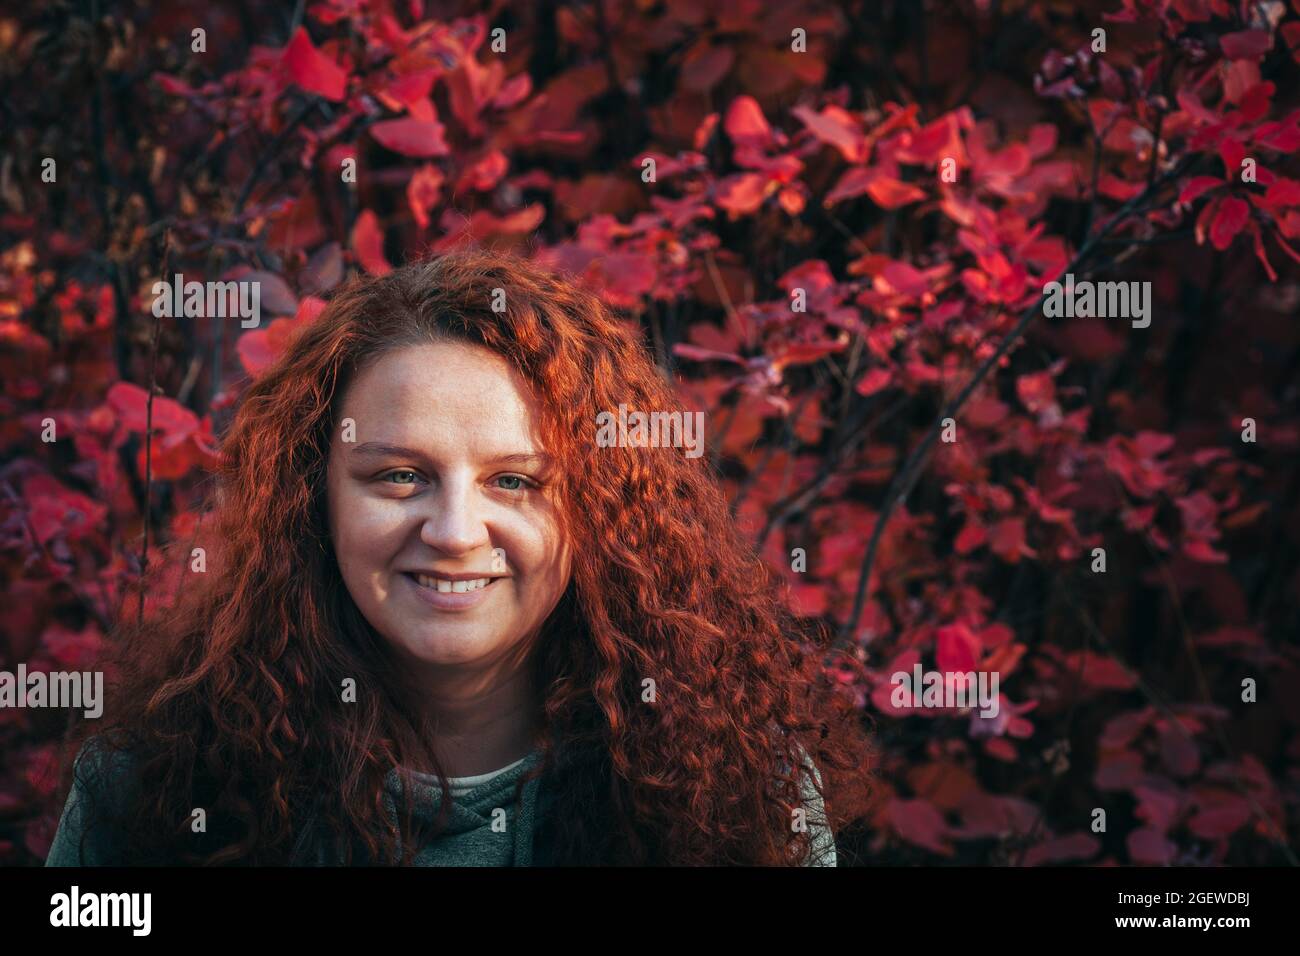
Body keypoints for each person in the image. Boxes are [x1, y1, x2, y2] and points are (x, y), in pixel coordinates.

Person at [45, 247, 876, 866]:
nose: (454, 530)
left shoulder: (737, 802)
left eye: (515, 481)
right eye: (399, 476)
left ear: (597, 512)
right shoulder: (151, 792)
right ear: (314, 495)